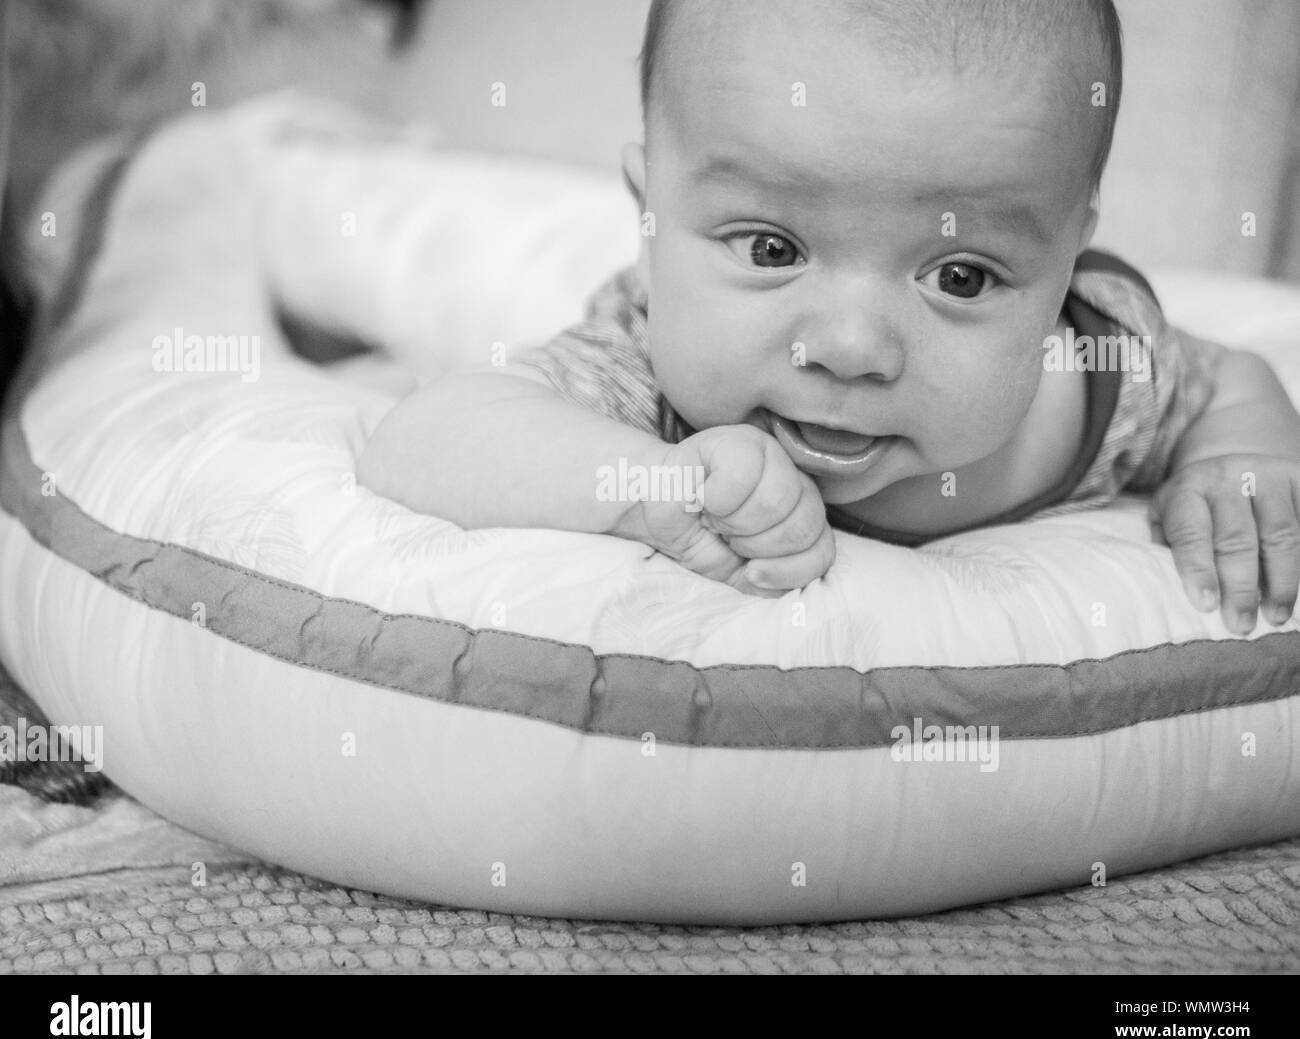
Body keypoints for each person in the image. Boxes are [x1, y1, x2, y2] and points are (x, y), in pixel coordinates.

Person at [358, 0, 1300, 636]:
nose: (849, 349)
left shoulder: (1102, 374)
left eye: (961, 276)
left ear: (1063, 267)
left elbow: (1229, 379)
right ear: (647, 219)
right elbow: (425, 437)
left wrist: (1235, 462)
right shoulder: (650, 377)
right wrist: (650, 483)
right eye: (772, 250)